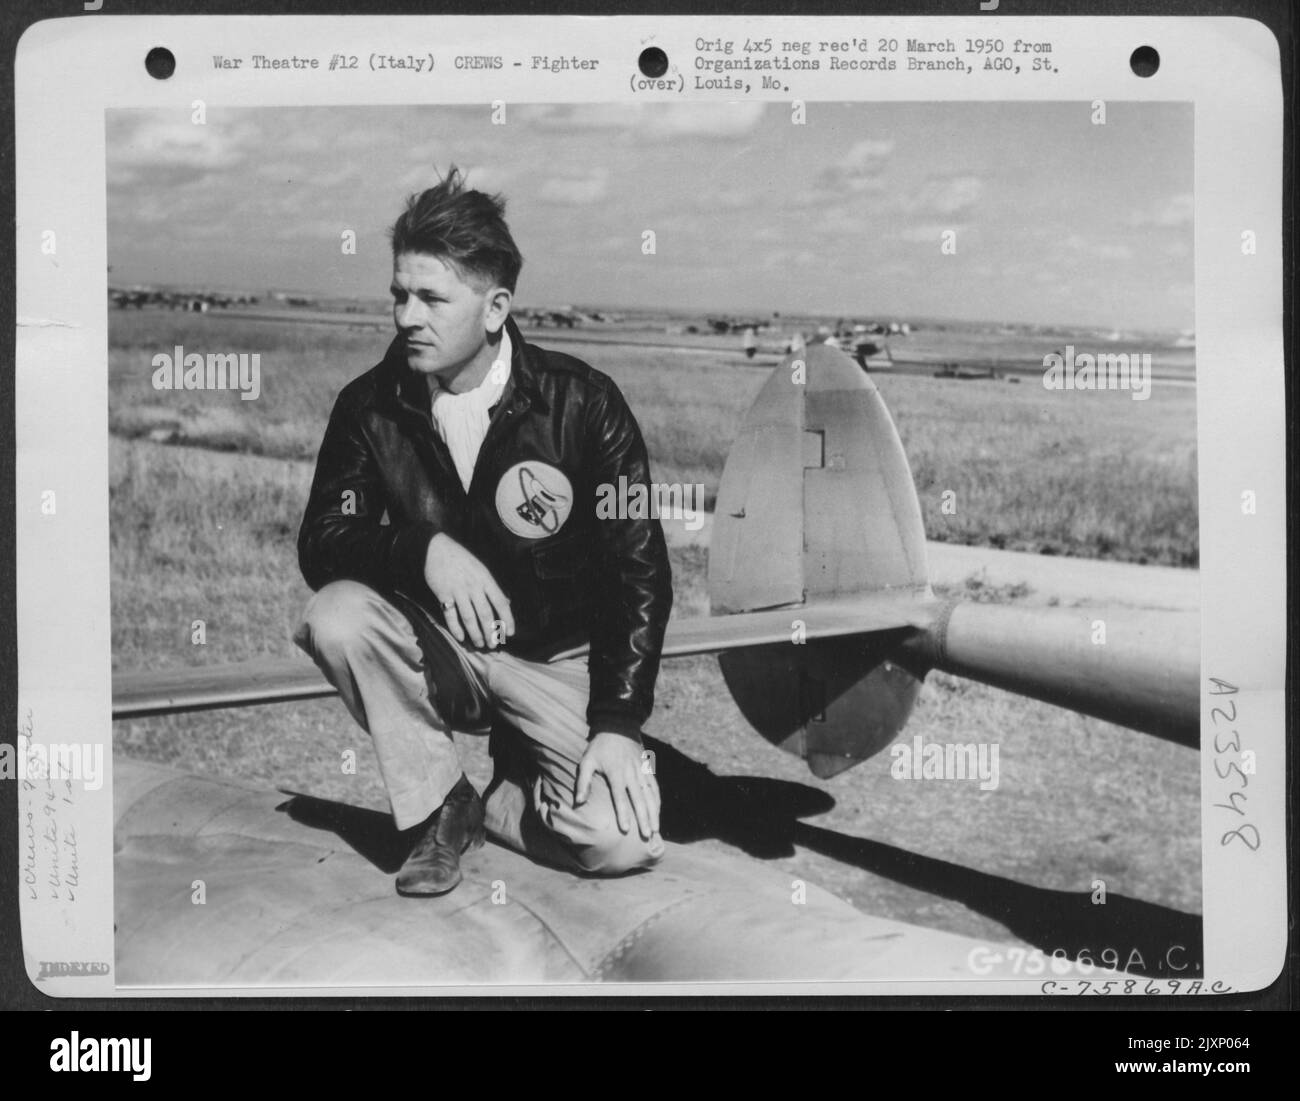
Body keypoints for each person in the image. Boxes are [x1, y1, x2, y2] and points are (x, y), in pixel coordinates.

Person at [293, 168, 672, 896]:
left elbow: (640, 571)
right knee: (335, 614)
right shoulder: (367, 408)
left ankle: (506, 799)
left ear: (496, 308)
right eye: (400, 295)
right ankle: (444, 804)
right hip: (445, 651)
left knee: (620, 844)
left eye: (433, 297)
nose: (408, 316)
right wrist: (423, 549)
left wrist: (620, 722)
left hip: (560, 660)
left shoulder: (586, 405)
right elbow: (323, 540)